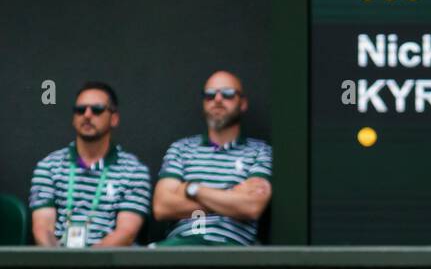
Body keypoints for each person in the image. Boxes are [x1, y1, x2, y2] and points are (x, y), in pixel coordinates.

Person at [152, 70, 272, 246]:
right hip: (178, 246)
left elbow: (252, 207)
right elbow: (162, 207)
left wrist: (191, 189)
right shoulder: (181, 148)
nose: (217, 99)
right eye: (210, 95)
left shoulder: (260, 151)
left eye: (228, 94)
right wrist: (230, 196)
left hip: (230, 249)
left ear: (243, 103)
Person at [29, 82, 152, 247]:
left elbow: (126, 233)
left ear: (114, 118)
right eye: (80, 110)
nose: (87, 115)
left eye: (97, 109)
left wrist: (85, 266)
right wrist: (60, 265)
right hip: (57, 264)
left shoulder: (134, 171)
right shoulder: (48, 166)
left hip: (110, 266)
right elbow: (42, 229)